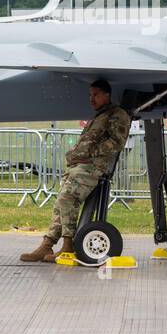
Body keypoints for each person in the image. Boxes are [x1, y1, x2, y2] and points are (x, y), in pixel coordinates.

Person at [22, 79, 130, 263]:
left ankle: (67, 245)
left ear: (107, 95)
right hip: (81, 166)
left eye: (95, 95)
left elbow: (117, 142)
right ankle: (47, 244)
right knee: (61, 205)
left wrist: (89, 154)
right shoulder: (99, 115)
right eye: (90, 95)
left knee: (66, 199)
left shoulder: (117, 115)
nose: (91, 99)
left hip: (93, 167)